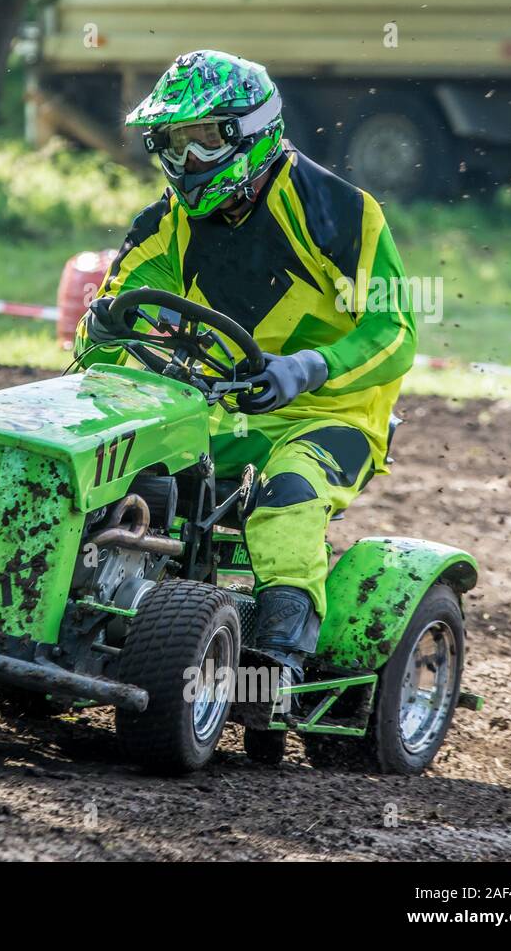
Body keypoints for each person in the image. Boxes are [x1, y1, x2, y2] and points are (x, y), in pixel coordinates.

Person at [77, 49, 417, 687]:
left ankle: (273, 670)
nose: (186, 162)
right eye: (172, 143)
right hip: (214, 405)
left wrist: (306, 369)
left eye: (204, 140)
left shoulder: (338, 212)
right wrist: (100, 334)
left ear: (251, 133)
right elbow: (107, 327)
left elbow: (393, 330)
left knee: (283, 498)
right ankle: (85, 607)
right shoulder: (163, 226)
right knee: (120, 470)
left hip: (326, 414)